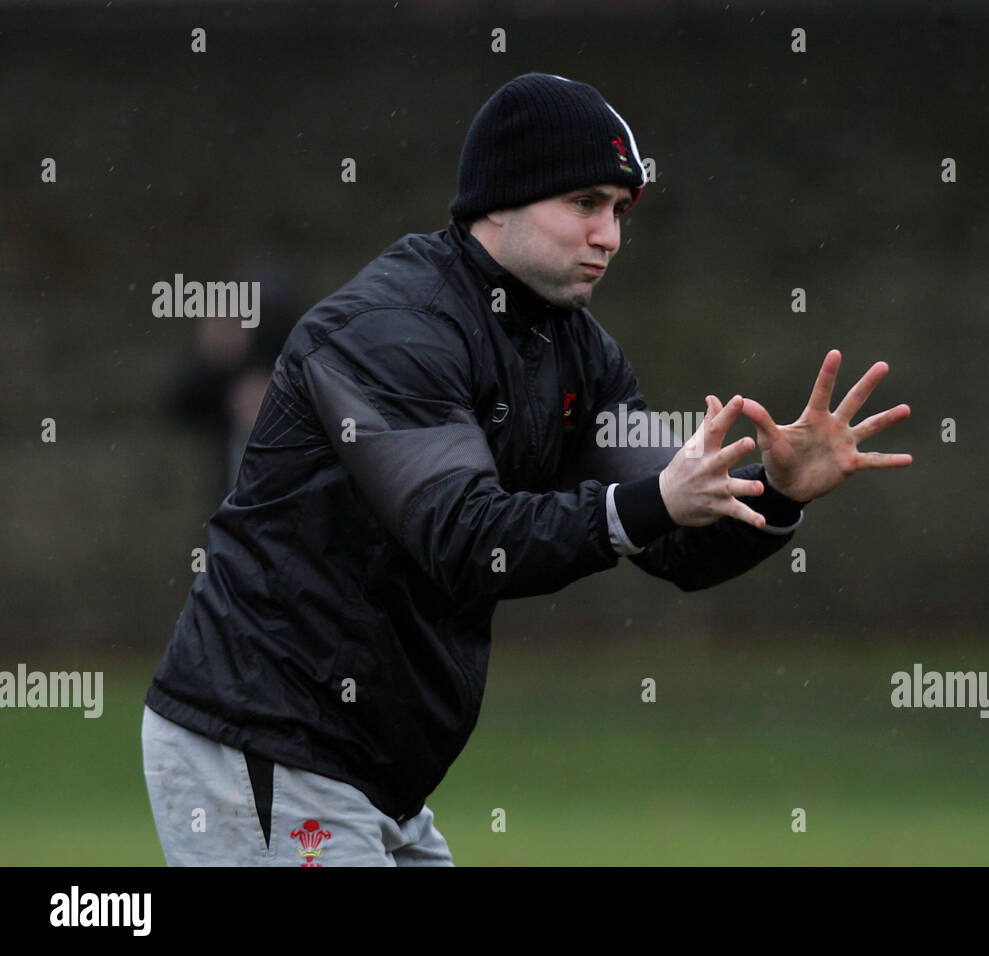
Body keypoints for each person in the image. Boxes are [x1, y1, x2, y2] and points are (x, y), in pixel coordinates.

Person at [141, 72, 912, 867]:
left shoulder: (578, 351)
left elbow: (673, 535)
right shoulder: (389, 331)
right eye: (584, 203)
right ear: (497, 202)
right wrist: (645, 502)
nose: (608, 235)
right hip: (261, 742)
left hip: (376, 771)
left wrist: (776, 493)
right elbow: (465, 534)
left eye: (619, 210)